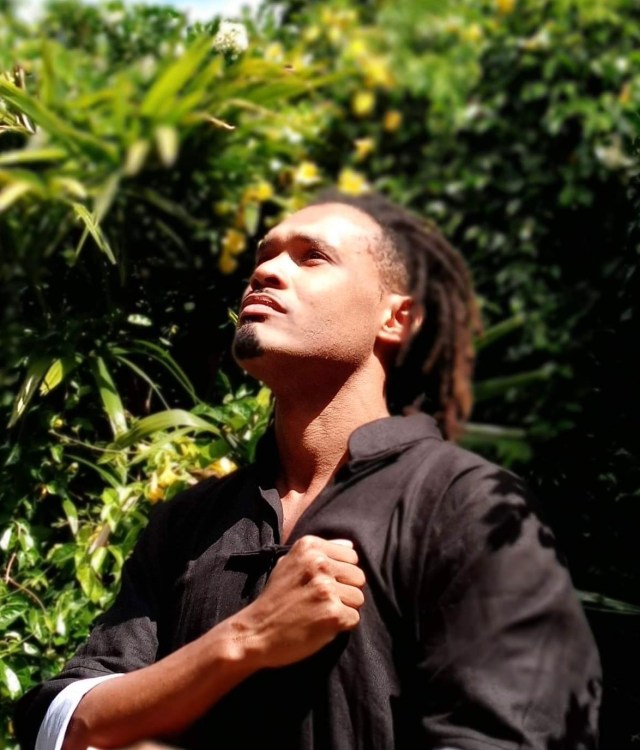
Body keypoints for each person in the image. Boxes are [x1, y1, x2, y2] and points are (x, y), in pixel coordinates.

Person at [15, 193, 601, 750]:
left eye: (312, 256)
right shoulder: (186, 523)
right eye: (264, 256)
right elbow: (63, 724)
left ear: (395, 318)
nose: (265, 272)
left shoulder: (468, 504)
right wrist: (247, 636)